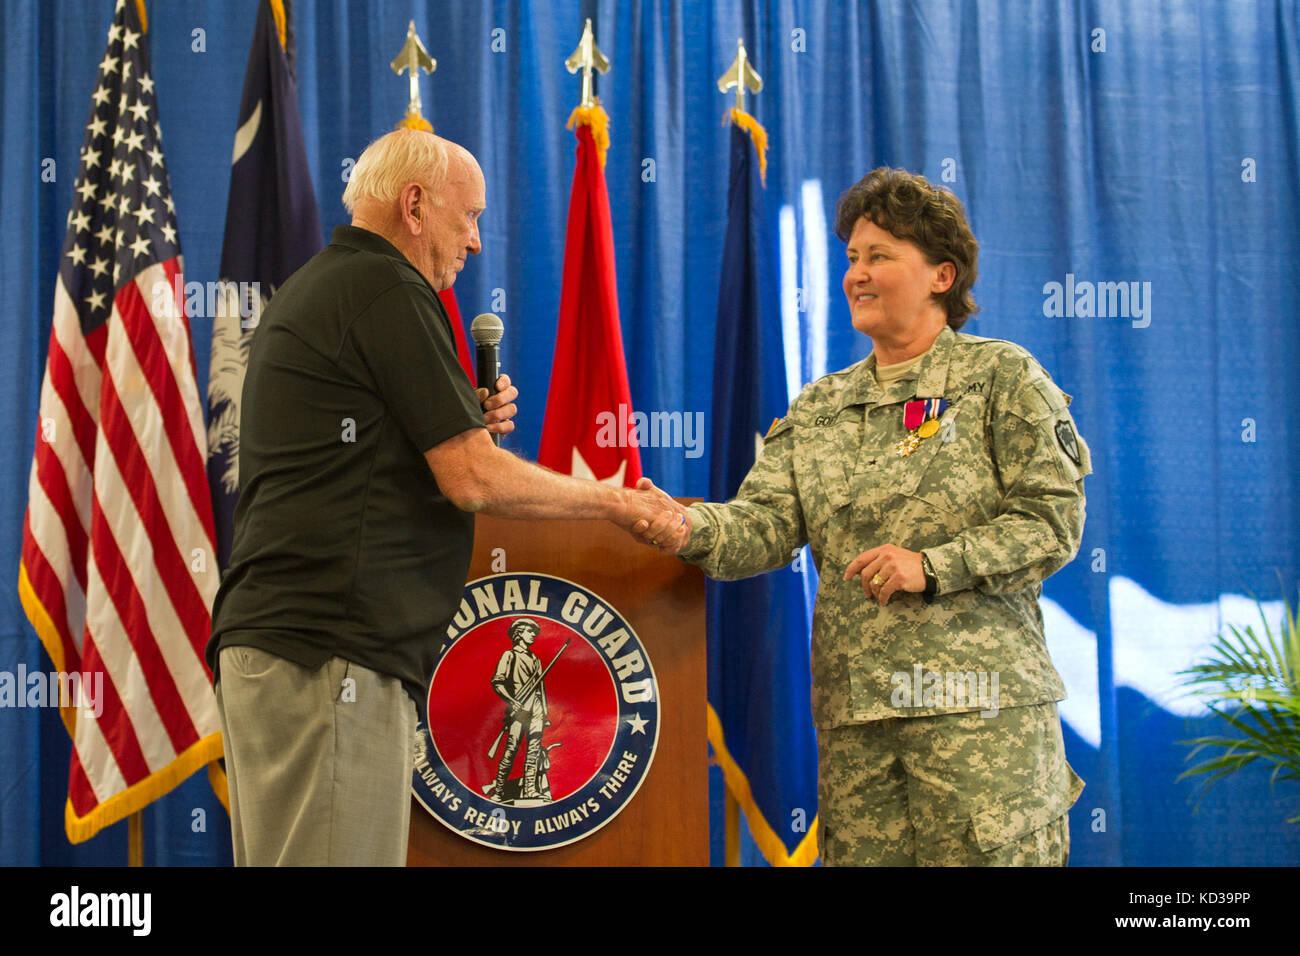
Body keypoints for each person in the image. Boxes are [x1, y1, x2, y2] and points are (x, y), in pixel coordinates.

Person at [207, 128, 682, 866]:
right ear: (417, 205)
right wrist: (618, 503)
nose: (478, 241)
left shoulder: (329, 284)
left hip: (294, 647)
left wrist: (459, 421)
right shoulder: (386, 286)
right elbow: (473, 477)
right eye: (470, 217)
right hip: (329, 655)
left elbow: (376, 454)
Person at [638, 167, 1089, 866]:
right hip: (858, 735)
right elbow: (763, 524)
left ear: (942, 275)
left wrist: (933, 566)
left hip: (980, 726)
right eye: (851, 257)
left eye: (879, 256)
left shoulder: (1003, 378)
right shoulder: (819, 406)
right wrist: (685, 528)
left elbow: (1050, 525)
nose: (857, 274)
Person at [489, 617, 549, 803]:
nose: (533, 635)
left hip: (537, 709)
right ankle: (499, 791)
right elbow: (497, 682)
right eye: (529, 631)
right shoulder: (510, 655)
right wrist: (511, 701)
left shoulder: (536, 660)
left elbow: (541, 689)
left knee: (534, 749)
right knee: (511, 749)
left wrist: (544, 712)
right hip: (520, 708)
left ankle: (530, 790)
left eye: (534, 632)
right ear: (519, 633)